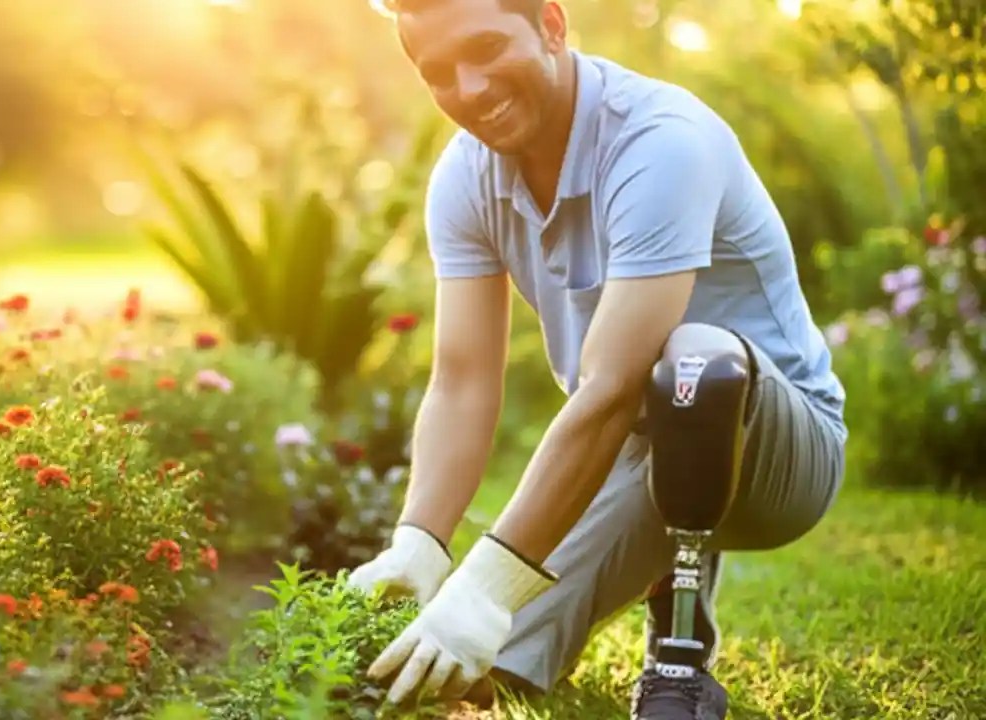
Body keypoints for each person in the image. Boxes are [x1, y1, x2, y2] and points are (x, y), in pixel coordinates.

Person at [344, 0, 849, 717]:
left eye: (486, 49)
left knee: (690, 362)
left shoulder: (661, 142)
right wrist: (419, 540)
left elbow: (612, 388)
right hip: (632, 444)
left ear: (552, 25)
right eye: (438, 73)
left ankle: (679, 658)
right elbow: (462, 381)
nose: (469, 88)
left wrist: (486, 586)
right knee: (453, 669)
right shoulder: (464, 176)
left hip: (780, 452)